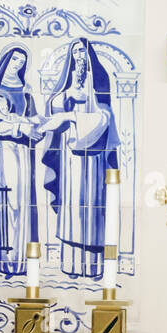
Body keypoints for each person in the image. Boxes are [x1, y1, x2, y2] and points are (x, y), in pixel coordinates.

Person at [39, 38, 120, 279]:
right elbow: (52, 106)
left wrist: (74, 116)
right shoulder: (69, 80)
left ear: (89, 55)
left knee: (92, 208)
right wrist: (67, 95)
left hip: (93, 157)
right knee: (72, 208)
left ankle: (93, 266)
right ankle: (71, 264)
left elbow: (105, 115)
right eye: (75, 52)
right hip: (71, 158)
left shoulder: (100, 79)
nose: (79, 56)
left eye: (83, 52)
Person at [0, 44, 40, 275]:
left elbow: (33, 118)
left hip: (23, 153)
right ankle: (4, 259)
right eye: (14, 59)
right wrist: (22, 128)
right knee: (9, 201)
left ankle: (21, 260)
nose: (18, 64)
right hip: (5, 150)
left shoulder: (26, 91)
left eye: (22, 61)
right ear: (5, 60)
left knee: (23, 201)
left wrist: (39, 126)